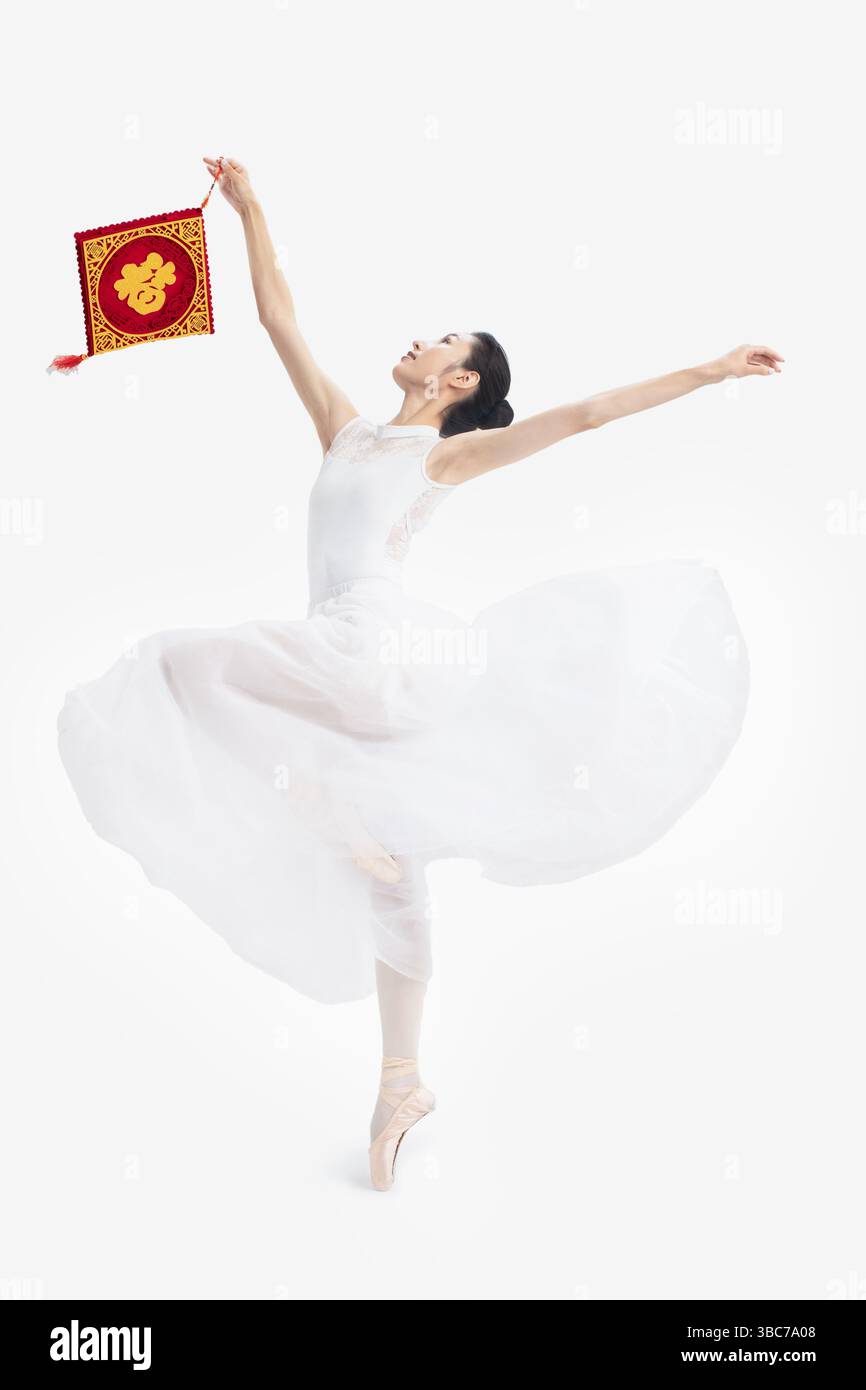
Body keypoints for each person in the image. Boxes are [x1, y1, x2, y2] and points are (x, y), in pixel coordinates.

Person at [57, 155, 783, 1192]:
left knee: (177, 663)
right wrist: (254, 209)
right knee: (389, 861)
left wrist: (708, 370)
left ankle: (323, 812)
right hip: (340, 666)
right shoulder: (346, 429)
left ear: (459, 383)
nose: (420, 337)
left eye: (443, 338)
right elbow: (279, 321)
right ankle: (402, 1077)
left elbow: (579, 417)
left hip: (370, 648)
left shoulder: (439, 458)